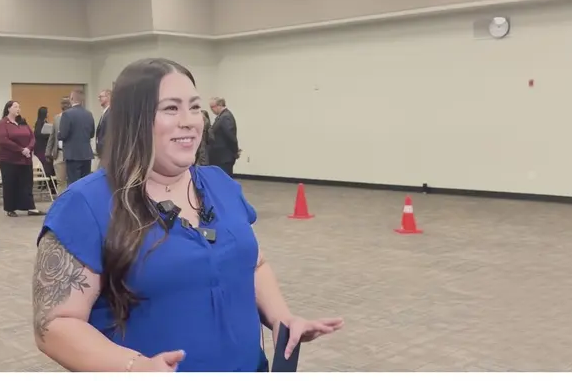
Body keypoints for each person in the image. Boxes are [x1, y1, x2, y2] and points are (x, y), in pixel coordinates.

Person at [31, 58, 343, 372]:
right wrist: (135, 367)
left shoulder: (220, 185)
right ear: (133, 120)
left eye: (194, 107)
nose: (189, 121)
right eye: (171, 108)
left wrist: (281, 318)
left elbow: (253, 263)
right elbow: (54, 325)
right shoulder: (85, 205)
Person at [0, 100, 44, 217]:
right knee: (10, 183)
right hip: (8, 159)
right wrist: (21, 149)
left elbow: (32, 137)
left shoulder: (22, 122)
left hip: (25, 158)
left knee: (27, 183)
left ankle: (30, 207)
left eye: (19, 107)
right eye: (15, 107)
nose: (18, 109)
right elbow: (3, 140)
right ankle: (10, 208)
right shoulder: (2, 124)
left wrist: (28, 148)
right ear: (8, 109)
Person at [58, 89, 96, 185]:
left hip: (72, 155)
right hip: (86, 155)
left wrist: (58, 134)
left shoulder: (67, 114)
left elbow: (63, 134)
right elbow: (92, 134)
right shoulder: (89, 114)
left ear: (71, 98)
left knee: (73, 183)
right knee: (85, 183)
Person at [207, 97, 240, 177]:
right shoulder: (222, 116)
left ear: (220, 105)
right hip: (221, 157)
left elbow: (231, 137)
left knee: (224, 180)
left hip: (224, 157)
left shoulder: (225, 117)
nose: (211, 110)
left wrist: (235, 151)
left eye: (212, 107)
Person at [46, 97, 72, 193]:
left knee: (71, 180)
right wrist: (48, 152)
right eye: (63, 103)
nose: (65, 105)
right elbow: (52, 136)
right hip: (59, 154)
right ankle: (61, 200)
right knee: (60, 181)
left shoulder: (74, 117)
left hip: (71, 153)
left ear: (71, 104)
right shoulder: (57, 118)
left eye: (67, 102)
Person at [33, 107, 55, 194]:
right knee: (48, 166)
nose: (48, 114)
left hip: (43, 148)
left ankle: (48, 185)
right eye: (47, 112)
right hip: (42, 149)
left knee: (49, 167)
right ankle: (50, 186)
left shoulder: (43, 123)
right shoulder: (40, 123)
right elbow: (39, 135)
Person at [95, 89, 112, 170]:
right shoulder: (105, 113)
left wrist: (102, 149)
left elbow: (108, 133)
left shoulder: (110, 113)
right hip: (102, 153)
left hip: (106, 153)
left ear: (108, 97)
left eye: (101, 97)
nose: (99, 99)